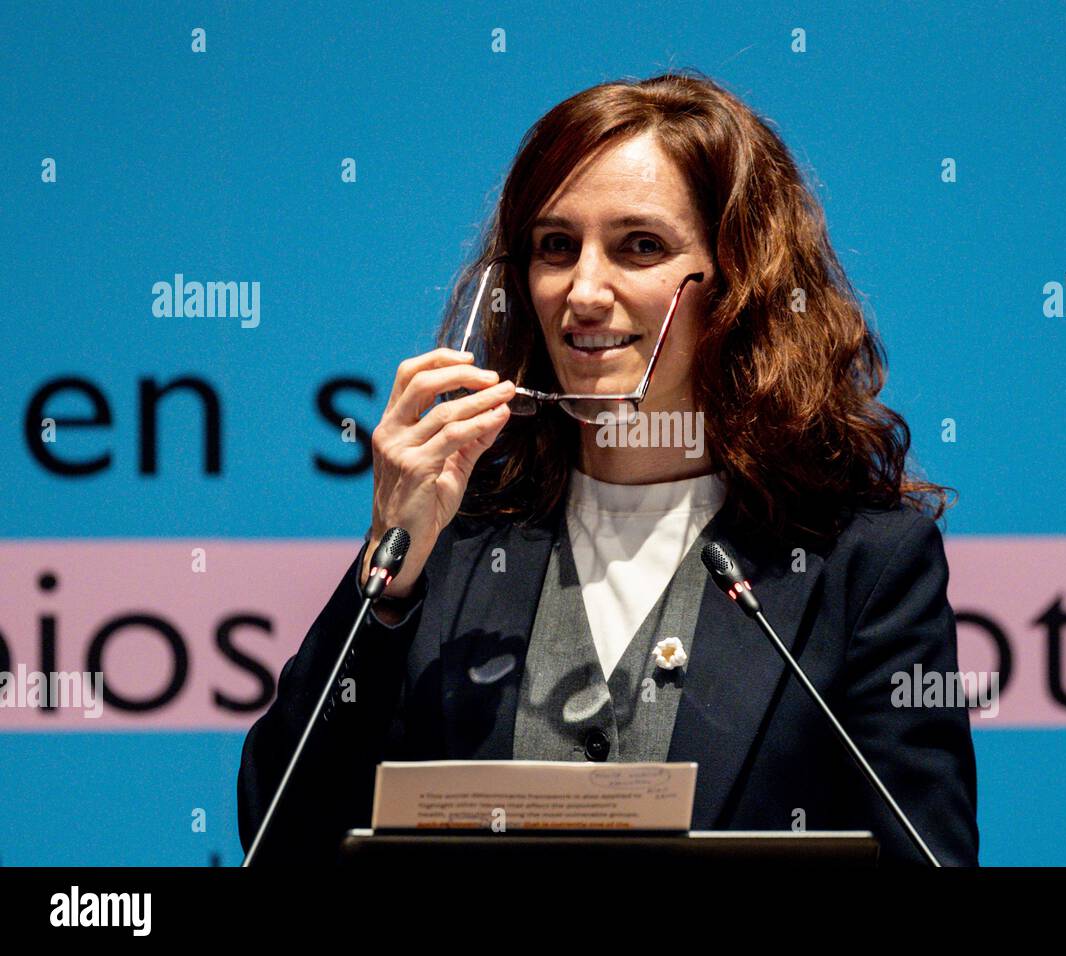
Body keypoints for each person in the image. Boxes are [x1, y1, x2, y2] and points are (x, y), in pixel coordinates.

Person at [238, 70, 978, 866]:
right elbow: (280, 841)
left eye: (640, 247)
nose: (584, 291)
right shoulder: (452, 537)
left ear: (737, 280)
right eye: (556, 247)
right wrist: (389, 574)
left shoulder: (861, 562)